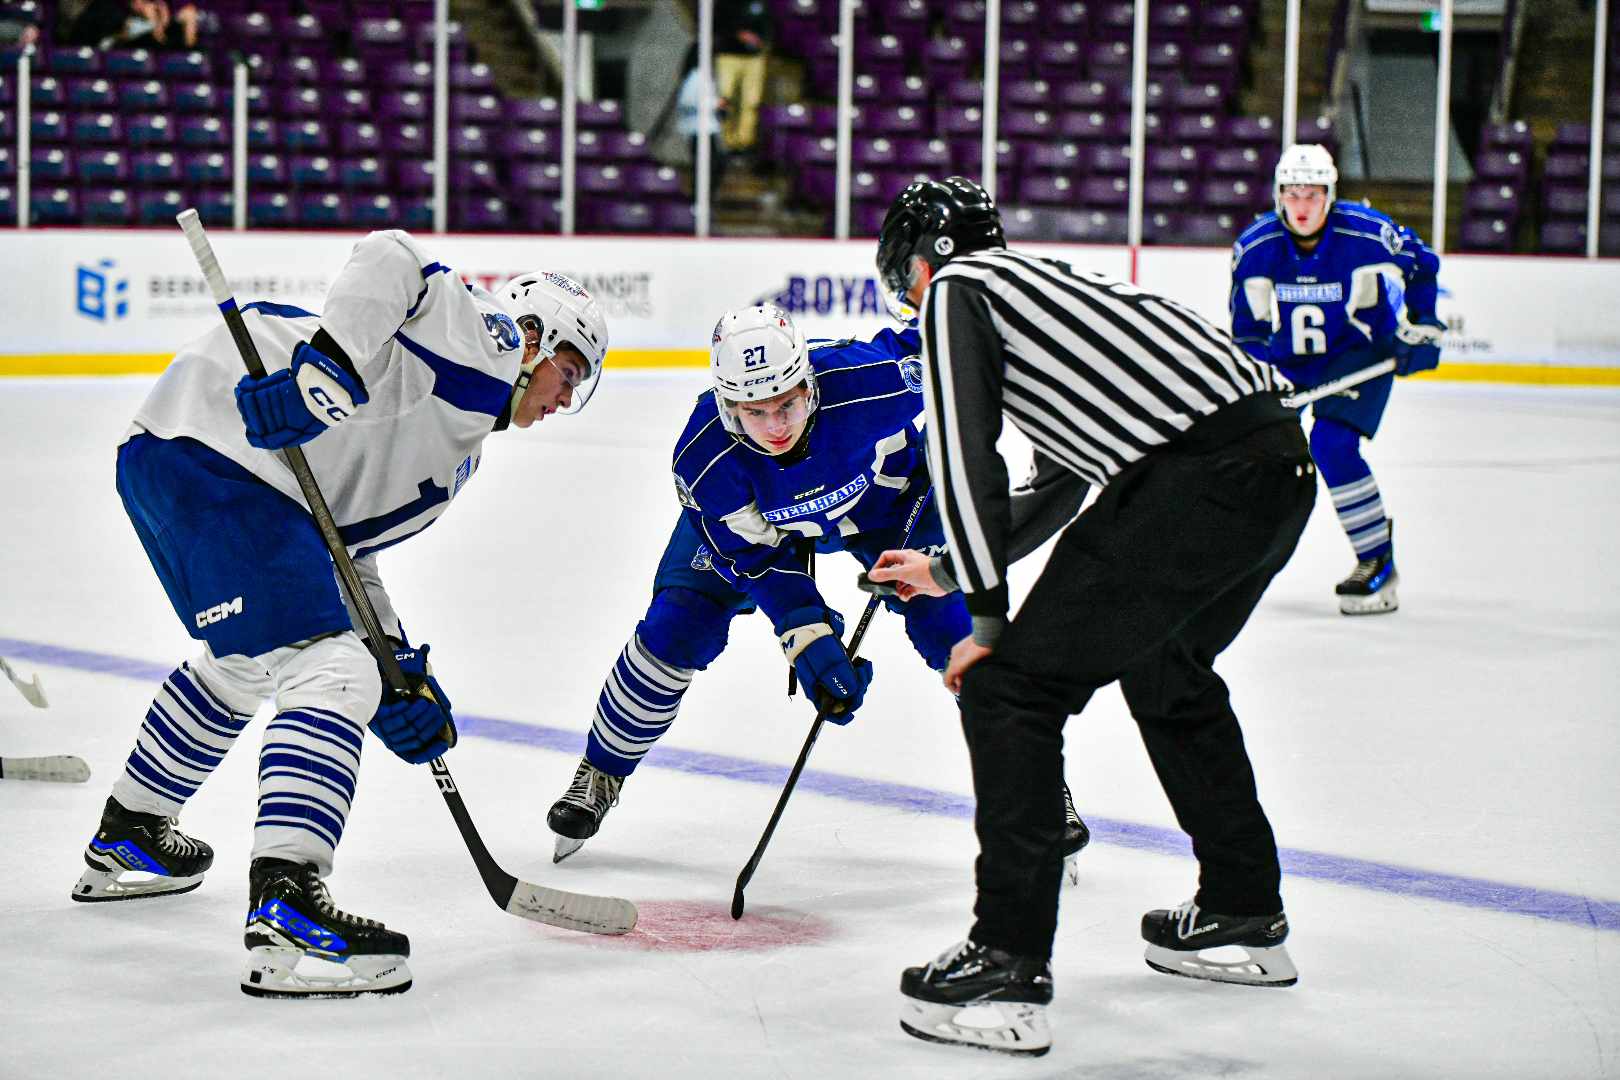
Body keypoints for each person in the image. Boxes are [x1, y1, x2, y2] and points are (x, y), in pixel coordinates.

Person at [70, 230, 608, 999]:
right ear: (534, 339)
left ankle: (132, 833)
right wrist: (326, 365)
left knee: (254, 659)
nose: (563, 398)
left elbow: (343, 550)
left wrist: (400, 670)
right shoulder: (489, 343)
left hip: (186, 463)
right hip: (219, 457)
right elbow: (391, 256)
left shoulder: (457, 456)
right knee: (329, 664)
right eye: (569, 370)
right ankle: (288, 901)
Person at [868, 177, 1315, 1057]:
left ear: (920, 266)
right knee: (1167, 669)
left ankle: (1007, 960)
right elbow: (1067, 483)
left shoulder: (957, 292)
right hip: (1277, 468)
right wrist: (950, 566)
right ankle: (1241, 907)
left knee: (1008, 694)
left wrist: (985, 618)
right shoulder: (1056, 289)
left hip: (1198, 479)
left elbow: (968, 460)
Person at [545, 305, 1091, 877]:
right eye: (755, 413)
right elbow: (755, 559)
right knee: (677, 624)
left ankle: (1038, 783)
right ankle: (601, 770)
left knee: (951, 625)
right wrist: (806, 633)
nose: (776, 425)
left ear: (810, 383)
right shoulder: (704, 457)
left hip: (890, 505)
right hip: (765, 528)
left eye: (788, 403)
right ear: (728, 408)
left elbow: (960, 349)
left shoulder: (870, 380)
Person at [1231, 143, 1444, 615]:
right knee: (1253, 451)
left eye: (1313, 194)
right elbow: (1247, 332)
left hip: (1357, 354)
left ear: (1330, 195)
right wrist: (1258, 378)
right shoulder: (1256, 249)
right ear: (1278, 195)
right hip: (1289, 363)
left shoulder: (1369, 234)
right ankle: (1234, 561)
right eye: (1292, 194)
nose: (1302, 206)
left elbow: (1423, 264)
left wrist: (1424, 326)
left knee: (1331, 445)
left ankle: (1377, 563)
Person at [714, 0, 772, 157]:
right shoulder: (724, 4)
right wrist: (738, 33)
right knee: (724, 99)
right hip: (728, 55)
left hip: (754, 58)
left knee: (752, 102)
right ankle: (726, 142)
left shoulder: (761, 3)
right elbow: (716, 23)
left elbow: (768, 23)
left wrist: (762, 40)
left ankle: (744, 143)